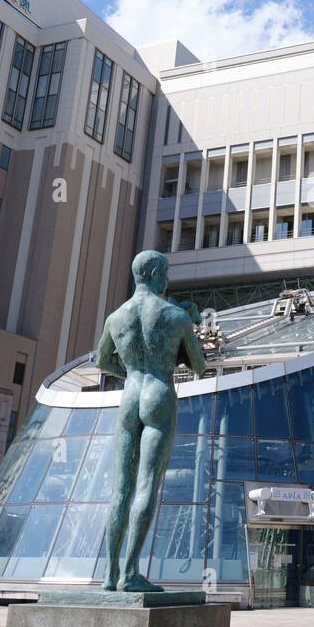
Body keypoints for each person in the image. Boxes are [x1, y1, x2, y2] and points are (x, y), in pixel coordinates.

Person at [100, 250, 207, 592]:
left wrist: (131, 372)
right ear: (154, 272)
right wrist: (188, 324)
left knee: (120, 490)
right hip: (159, 393)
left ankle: (110, 574)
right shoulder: (175, 315)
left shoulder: (116, 318)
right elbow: (199, 365)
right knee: (147, 485)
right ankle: (131, 573)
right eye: (166, 271)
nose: (169, 278)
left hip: (129, 394)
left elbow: (103, 361)